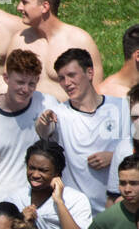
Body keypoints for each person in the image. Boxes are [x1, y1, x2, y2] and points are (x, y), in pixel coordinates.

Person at [36, 49, 130, 215]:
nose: (67, 83)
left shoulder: (121, 107)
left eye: (72, 75)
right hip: (76, 213)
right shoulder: (59, 114)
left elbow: (135, 148)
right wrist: (43, 123)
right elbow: (44, 133)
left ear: (90, 72)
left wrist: (113, 157)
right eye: (62, 78)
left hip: (118, 208)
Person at [0, 48, 54, 213]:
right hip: (0, 207)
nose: (26, 89)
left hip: (39, 207)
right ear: (6, 78)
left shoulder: (47, 104)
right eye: (20, 82)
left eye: (32, 84)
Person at [9, 0, 103, 95]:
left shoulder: (79, 40)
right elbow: (10, 85)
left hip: (69, 112)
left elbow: (95, 90)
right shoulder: (19, 40)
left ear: (45, 7)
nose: (19, 7)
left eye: (25, 2)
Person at [16, 142, 91, 229]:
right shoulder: (15, 199)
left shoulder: (76, 199)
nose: (35, 174)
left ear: (57, 173)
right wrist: (21, 224)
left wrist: (59, 202)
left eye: (43, 170)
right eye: (31, 168)